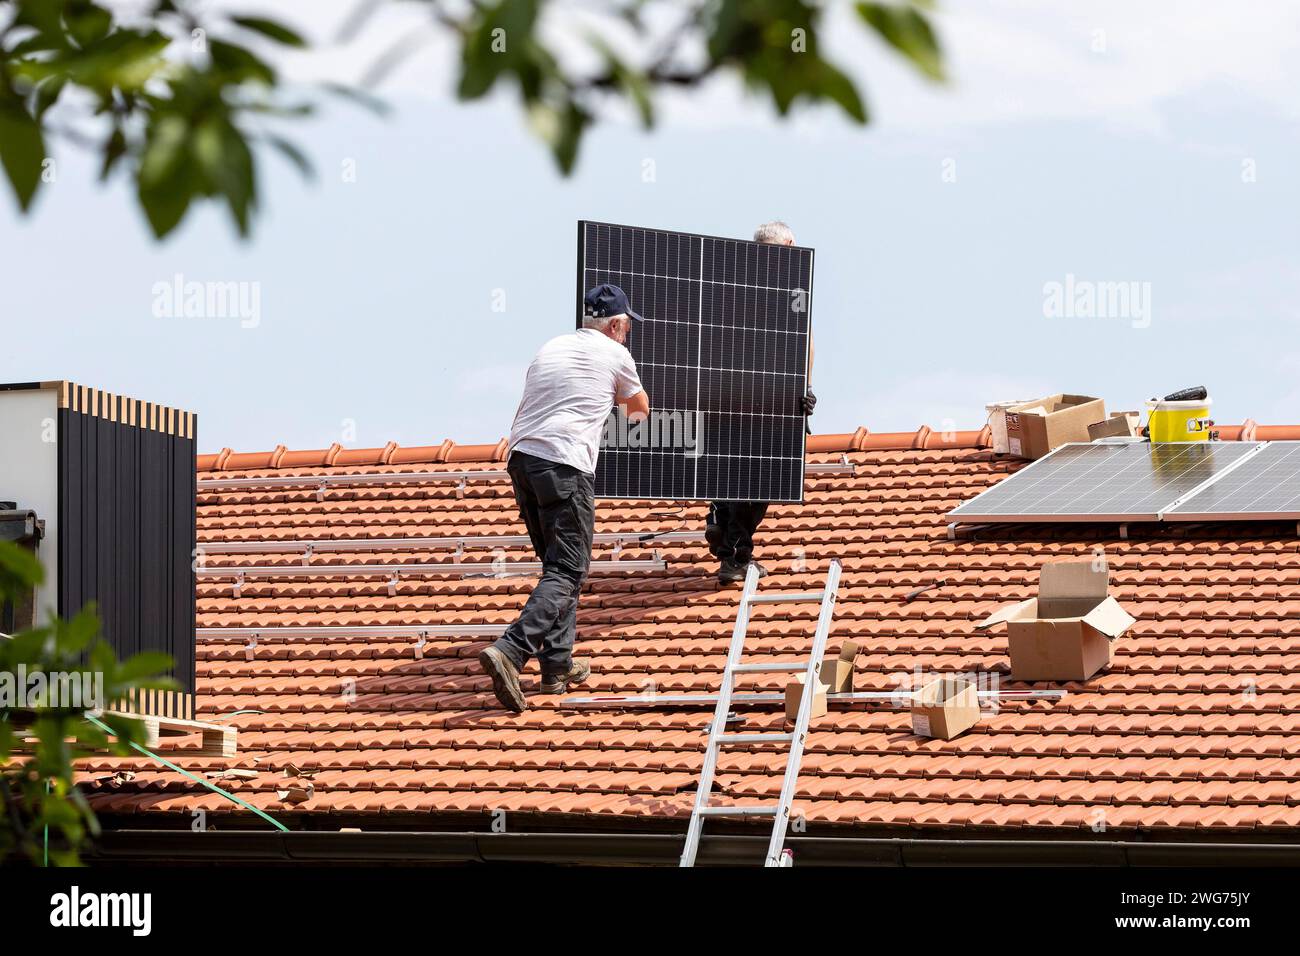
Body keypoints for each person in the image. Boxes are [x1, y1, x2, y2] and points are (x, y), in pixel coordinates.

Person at [478, 283, 650, 713]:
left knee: (558, 567)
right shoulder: (616, 355)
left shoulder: (551, 347)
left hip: (522, 460)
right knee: (570, 568)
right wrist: (617, 400)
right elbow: (639, 409)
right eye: (626, 327)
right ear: (614, 325)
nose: (627, 335)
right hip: (565, 463)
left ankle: (556, 667)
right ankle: (511, 650)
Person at [708, 220, 817, 585]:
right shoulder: (789, 285)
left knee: (739, 475)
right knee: (762, 479)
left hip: (729, 396)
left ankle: (722, 528)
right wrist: (805, 388)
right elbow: (804, 341)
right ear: (788, 242)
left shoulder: (729, 282)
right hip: (768, 400)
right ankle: (735, 553)